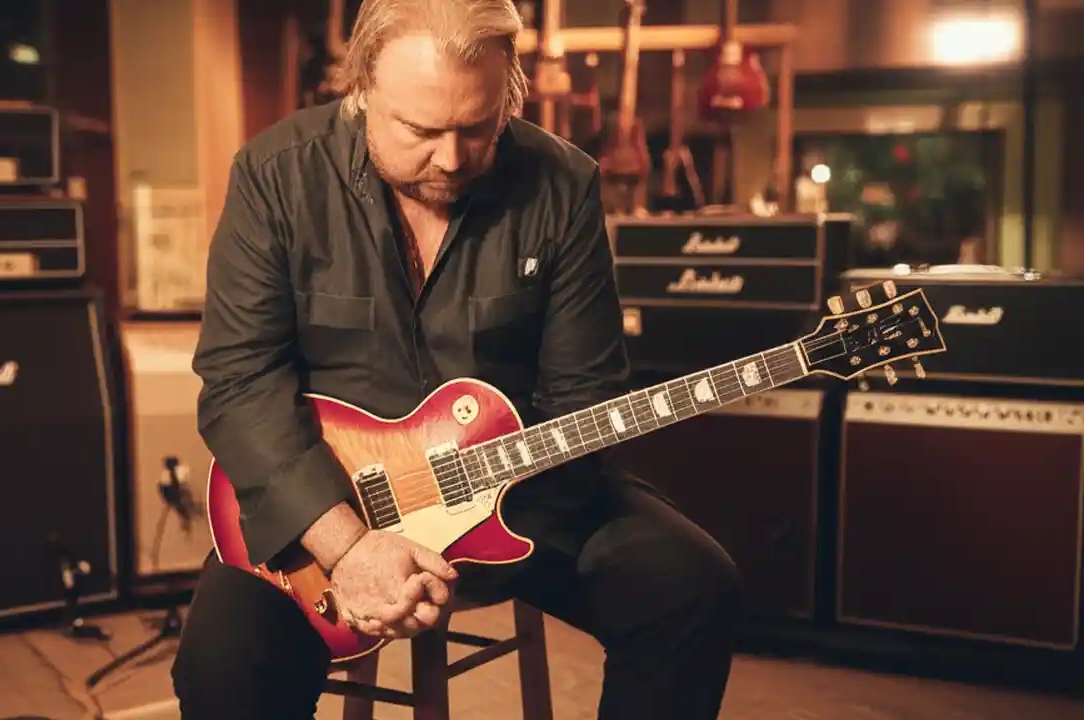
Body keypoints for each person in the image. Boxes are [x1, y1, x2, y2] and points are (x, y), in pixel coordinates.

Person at [173, 1, 743, 717]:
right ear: (360, 89)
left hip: (518, 491)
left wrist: (473, 522)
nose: (449, 157)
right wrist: (350, 549)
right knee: (223, 670)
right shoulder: (274, 176)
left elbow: (584, 389)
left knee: (691, 586)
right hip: (326, 503)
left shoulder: (562, 185)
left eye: (476, 128)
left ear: (507, 93)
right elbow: (238, 380)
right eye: (419, 129)